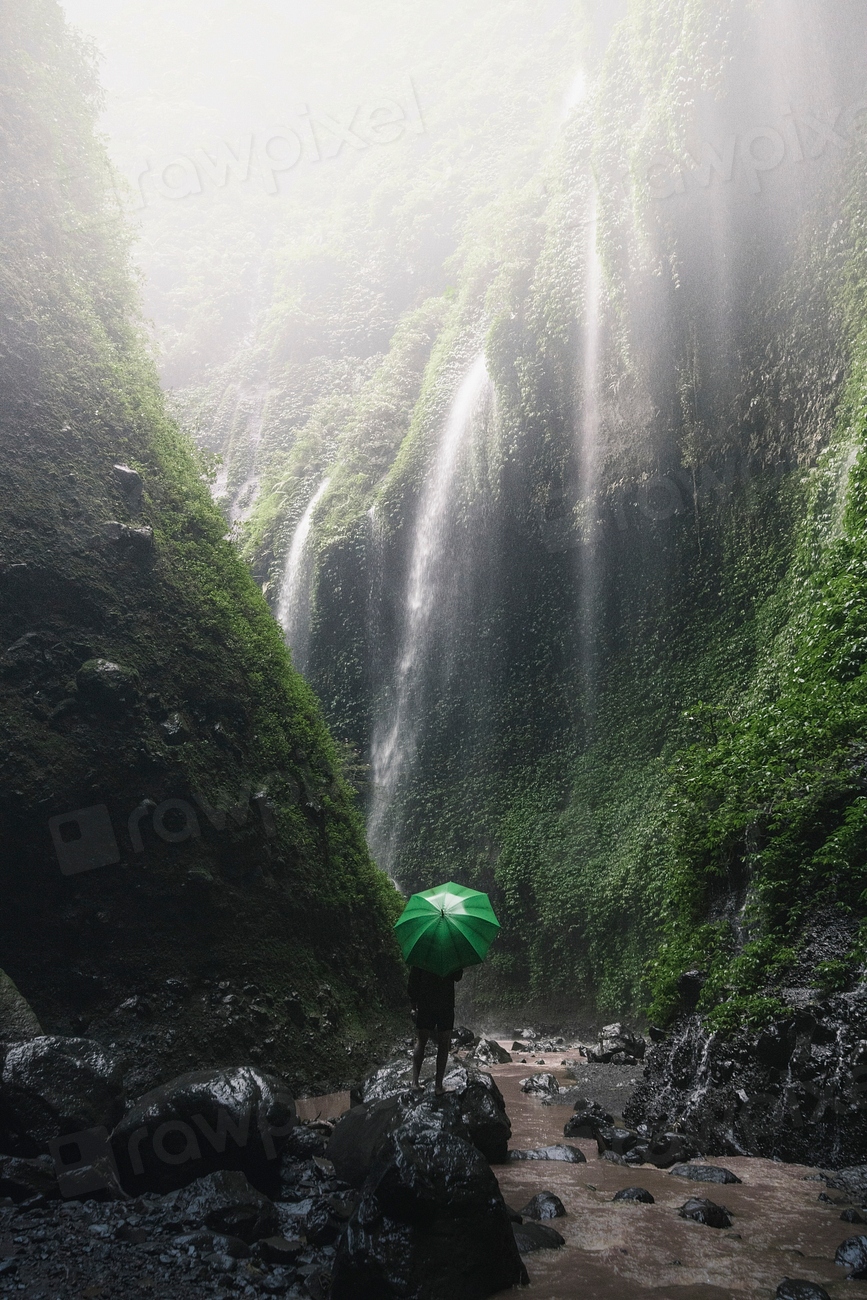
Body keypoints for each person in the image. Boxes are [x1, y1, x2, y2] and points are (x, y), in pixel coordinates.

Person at [408, 965, 463, 1095]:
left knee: (421, 1041)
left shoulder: (424, 952)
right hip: (446, 1002)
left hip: (425, 1002)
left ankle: (415, 1083)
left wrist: (413, 1003)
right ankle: (438, 1086)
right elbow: (458, 976)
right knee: (444, 1043)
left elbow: (413, 978)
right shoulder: (451, 953)